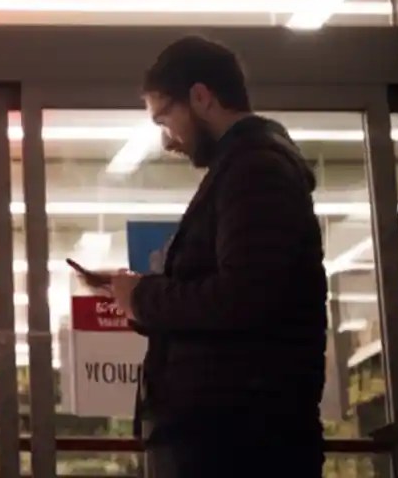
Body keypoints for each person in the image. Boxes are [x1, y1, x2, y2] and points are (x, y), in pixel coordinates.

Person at [105, 37, 328, 477]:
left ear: (201, 96)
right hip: (235, 434)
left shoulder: (255, 169)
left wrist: (144, 298)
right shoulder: (246, 167)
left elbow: (243, 297)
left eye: (165, 118)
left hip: (237, 442)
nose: (168, 140)